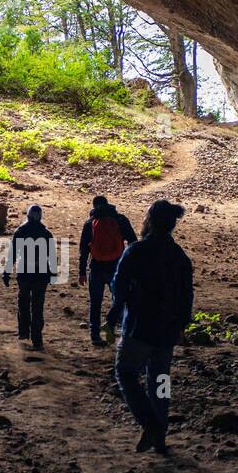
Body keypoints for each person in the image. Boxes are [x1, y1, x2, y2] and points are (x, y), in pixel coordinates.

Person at [111, 200, 193, 455]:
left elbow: (118, 286)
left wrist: (114, 314)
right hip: (167, 331)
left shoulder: (136, 251)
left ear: (151, 221)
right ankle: (160, 435)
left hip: (139, 327)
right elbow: (187, 296)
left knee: (125, 373)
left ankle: (150, 423)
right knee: (161, 380)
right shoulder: (180, 256)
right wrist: (181, 326)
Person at [77, 195, 137, 347]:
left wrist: (82, 272)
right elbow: (133, 242)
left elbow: (84, 249)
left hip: (96, 268)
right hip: (116, 268)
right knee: (120, 299)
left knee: (95, 303)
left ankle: (95, 335)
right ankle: (116, 328)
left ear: (94, 206)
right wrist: (129, 264)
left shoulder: (90, 223)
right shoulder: (120, 219)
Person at [2, 204, 57, 350]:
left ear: (27, 215)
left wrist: (6, 272)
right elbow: (52, 256)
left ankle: (23, 333)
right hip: (41, 274)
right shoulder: (46, 233)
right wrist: (53, 273)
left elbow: (12, 254)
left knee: (24, 303)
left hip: (24, 272)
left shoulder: (20, 231)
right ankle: (37, 339)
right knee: (38, 306)